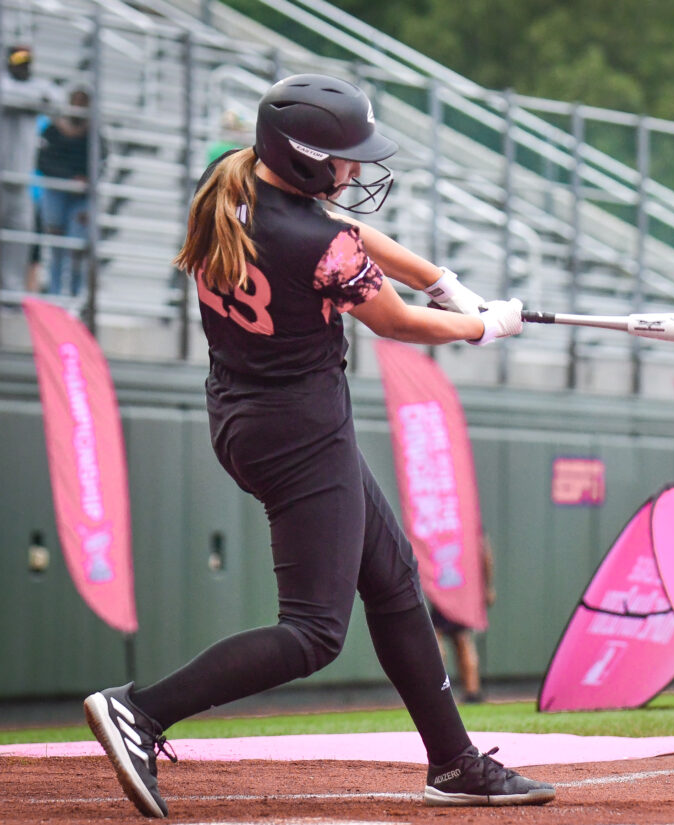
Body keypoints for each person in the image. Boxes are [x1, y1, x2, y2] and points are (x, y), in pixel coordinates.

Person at [82, 73, 554, 818]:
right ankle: (140, 709)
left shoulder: (229, 182)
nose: (355, 170)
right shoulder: (316, 242)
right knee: (313, 632)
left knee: (394, 577)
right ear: (303, 159)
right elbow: (396, 322)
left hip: (248, 414)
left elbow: (349, 237)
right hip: (300, 431)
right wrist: (483, 324)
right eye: (342, 158)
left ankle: (454, 762)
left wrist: (443, 279)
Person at [0, 45, 59, 292]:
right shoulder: (7, 83)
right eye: (19, 61)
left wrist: (32, 99)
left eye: (27, 62)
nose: (24, 67)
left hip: (21, 180)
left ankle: (10, 294)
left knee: (20, 238)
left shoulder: (36, 86)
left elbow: (56, 100)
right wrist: (34, 100)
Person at [37, 86, 93, 296]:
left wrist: (85, 180)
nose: (79, 106)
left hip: (81, 198)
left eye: (83, 102)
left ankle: (75, 296)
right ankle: (55, 294)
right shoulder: (52, 130)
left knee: (77, 248)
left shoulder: (94, 133)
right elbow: (43, 162)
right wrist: (69, 179)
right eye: (76, 101)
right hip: (56, 194)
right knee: (57, 247)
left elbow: (100, 163)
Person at [431, 531, 495, 703]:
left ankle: (460, 691)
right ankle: (468, 692)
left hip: (454, 588)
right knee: (456, 638)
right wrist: (487, 586)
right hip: (449, 589)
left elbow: (485, 552)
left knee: (453, 638)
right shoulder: (459, 520)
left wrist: (487, 586)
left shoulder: (457, 520)